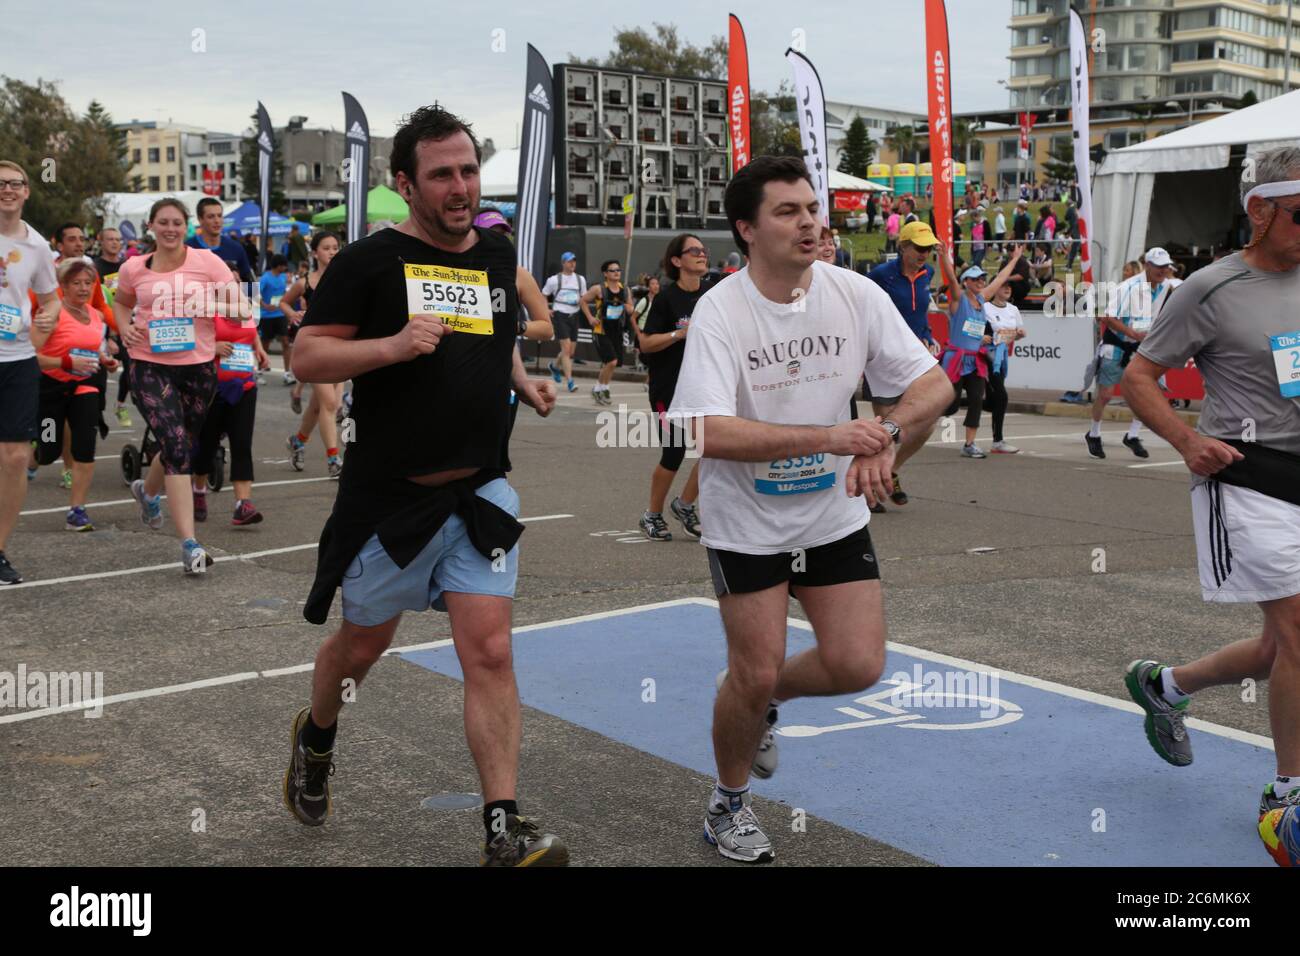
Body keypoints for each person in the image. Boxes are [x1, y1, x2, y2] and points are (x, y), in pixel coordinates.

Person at [285, 104, 566, 867]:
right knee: (361, 649)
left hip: (480, 494)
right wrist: (392, 345)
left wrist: (522, 378)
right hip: (393, 501)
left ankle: (503, 824)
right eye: (442, 173)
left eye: (469, 169)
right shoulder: (369, 264)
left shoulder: (496, 254)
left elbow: (493, 333)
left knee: (492, 652)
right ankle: (316, 738)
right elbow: (306, 358)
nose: (461, 186)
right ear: (405, 183)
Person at [667, 155, 951, 863]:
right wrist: (827, 436)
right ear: (747, 230)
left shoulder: (853, 293)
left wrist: (884, 437)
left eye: (810, 207)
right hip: (748, 525)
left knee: (858, 666)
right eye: (787, 211)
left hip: (830, 516)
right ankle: (727, 805)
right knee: (754, 667)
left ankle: (759, 701)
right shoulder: (721, 311)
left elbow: (934, 386)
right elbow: (698, 429)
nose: (808, 222)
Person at [1117, 147, 1300, 867]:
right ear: (1259, 211)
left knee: (1276, 650)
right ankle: (1286, 797)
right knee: (1297, 631)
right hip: (1246, 474)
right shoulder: (1209, 288)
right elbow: (1140, 376)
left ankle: (1167, 685)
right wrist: (1186, 441)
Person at [114, 198, 250, 574]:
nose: (170, 229)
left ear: (186, 226)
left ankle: (147, 492)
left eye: (177, 222)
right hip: (148, 365)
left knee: (181, 443)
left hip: (198, 367)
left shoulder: (207, 262)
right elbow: (122, 304)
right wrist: (124, 327)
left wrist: (210, 302)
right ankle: (190, 545)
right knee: (176, 446)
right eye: (163, 222)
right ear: (151, 226)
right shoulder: (133, 268)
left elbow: (242, 309)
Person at [0, 160, 61, 584]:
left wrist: (48, 318)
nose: (7, 190)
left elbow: (51, 299)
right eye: (0, 184)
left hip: (18, 358)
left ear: (27, 192)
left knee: (17, 456)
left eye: (14, 184)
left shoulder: (38, 247)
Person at [34, 259, 119, 531]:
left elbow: (96, 348)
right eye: (76, 283)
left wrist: (106, 359)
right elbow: (31, 358)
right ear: (63, 286)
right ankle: (31, 460)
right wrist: (65, 363)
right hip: (51, 389)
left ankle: (77, 511)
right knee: (49, 451)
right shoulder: (52, 313)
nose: (83, 288)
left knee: (85, 447)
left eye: (88, 283)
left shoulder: (96, 316)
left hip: (85, 385)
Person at [633, 233, 707, 542]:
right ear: (677, 261)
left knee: (715, 450)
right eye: (694, 251)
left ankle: (685, 505)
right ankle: (652, 514)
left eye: (703, 250)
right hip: (668, 390)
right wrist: (682, 334)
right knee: (674, 451)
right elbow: (646, 343)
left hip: (703, 386)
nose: (702, 254)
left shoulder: (712, 293)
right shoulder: (664, 299)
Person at [866, 220, 944, 511]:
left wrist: (925, 334)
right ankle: (871, 492)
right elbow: (864, 312)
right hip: (883, 360)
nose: (924, 253)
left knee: (927, 423)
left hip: (913, 360)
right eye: (919, 248)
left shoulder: (928, 273)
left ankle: (891, 471)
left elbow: (921, 313)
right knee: (885, 431)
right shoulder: (880, 276)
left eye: (928, 248)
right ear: (903, 246)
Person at [1084, 247, 1180, 460]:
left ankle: (1133, 435)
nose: (1163, 271)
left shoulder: (1166, 286)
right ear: (1147, 265)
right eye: (1159, 266)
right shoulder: (1127, 287)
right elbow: (1108, 317)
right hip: (1118, 343)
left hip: (1143, 346)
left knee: (1147, 395)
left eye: (1166, 267)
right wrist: (1133, 334)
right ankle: (1094, 433)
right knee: (1106, 394)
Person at [936, 246, 1023, 458]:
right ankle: (923, 416)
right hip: (955, 360)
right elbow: (951, 280)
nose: (981, 282)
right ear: (966, 282)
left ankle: (969, 444)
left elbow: (1000, 278)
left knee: (977, 398)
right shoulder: (959, 299)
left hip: (975, 361)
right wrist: (942, 256)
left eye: (982, 279)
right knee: (950, 406)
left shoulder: (982, 299)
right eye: (975, 279)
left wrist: (1015, 259)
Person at [192, 304, 272, 526]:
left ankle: (243, 504)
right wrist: (212, 347)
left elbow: (252, 333)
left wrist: (260, 349)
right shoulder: (207, 313)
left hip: (244, 388)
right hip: (213, 390)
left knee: (242, 444)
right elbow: (190, 343)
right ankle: (198, 489)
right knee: (207, 444)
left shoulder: (246, 312)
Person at [280, 232, 345, 477]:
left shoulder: (344, 279)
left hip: (340, 345)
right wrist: (293, 314)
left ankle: (297, 442)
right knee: (329, 403)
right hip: (314, 347)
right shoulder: (305, 282)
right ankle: (333, 460)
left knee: (320, 407)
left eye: (335, 247)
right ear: (315, 252)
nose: (331, 252)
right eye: (326, 248)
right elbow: (284, 303)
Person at [981, 265, 1027, 454]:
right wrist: (980, 337)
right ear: (995, 287)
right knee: (1001, 395)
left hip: (1002, 357)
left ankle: (956, 403)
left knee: (992, 400)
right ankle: (998, 441)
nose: (1007, 289)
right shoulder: (984, 307)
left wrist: (1019, 335)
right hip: (985, 355)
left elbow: (1012, 335)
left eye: (1009, 286)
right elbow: (971, 327)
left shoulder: (1013, 309)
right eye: (1003, 286)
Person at [579, 259, 631, 406]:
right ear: (605, 274)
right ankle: (602, 388)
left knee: (611, 364)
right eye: (613, 270)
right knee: (611, 361)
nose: (616, 273)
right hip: (601, 330)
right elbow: (582, 301)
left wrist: (628, 308)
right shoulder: (599, 289)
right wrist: (590, 317)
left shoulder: (625, 289)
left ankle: (600, 389)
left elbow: (631, 308)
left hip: (617, 330)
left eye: (618, 270)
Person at [541, 252, 584, 393]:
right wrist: (547, 309)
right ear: (563, 263)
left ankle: (554, 366)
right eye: (569, 261)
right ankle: (570, 381)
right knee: (566, 349)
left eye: (574, 261)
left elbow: (583, 297)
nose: (572, 264)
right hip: (560, 314)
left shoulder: (580, 279)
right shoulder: (554, 280)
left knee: (570, 351)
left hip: (574, 315)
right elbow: (543, 295)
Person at [187, 197, 255, 285]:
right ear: (200, 219)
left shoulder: (235, 248)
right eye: (211, 217)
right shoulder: (188, 249)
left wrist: (238, 284)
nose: (217, 221)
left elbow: (252, 289)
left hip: (231, 297)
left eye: (219, 216)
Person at [258, 254, 295, 386]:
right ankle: (260, 372)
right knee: (265, 345)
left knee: (286, 342)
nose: (285, 268)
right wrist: (265, 305)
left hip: (280, 314)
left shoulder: (285, 277)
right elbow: (255, 293)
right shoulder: (265, 278)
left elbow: (289, 292)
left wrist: (290, 285)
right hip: (267, 316)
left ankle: (287, 373)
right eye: (283, 265)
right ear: (277, 265)